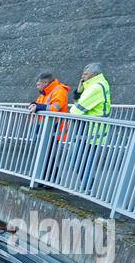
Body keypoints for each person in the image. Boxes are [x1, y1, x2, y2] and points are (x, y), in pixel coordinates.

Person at [68, 62, 112, 191]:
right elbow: (79, 103)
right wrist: (79, 90)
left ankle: (87, 187)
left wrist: (78, 101)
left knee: (81, 160)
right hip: (92, 130)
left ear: (94, 74)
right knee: (82, 159)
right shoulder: (97, 85)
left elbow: (76, 110)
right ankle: (87, 186)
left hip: (93, 131)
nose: (82, 76)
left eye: (86, 74)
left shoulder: (95, 88)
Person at [29, 72, 70, 182]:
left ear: (46, 83)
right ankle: (46, 179)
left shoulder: (58, 90)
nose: (37, 86)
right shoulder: (47, 92)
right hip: (47, 127)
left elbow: (55, 107)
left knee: (48, 155)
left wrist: (38, 106)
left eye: (38, 84)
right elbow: (39, 103)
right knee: (46, 155)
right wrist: (34, 104)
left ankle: (51, 180)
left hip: (55, 128)